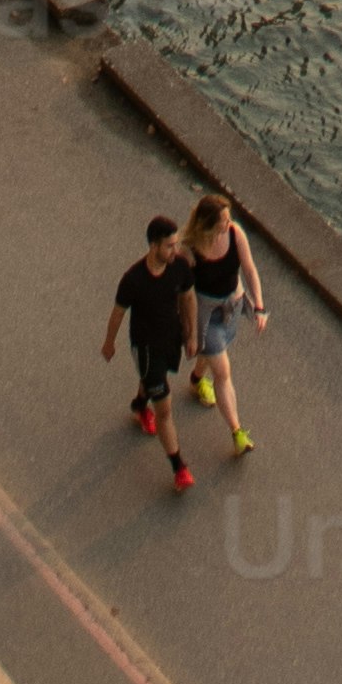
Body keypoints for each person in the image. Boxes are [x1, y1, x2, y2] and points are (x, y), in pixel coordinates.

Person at [106, 201, 198, 490]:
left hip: (171, 337)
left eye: (176, 244)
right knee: (166, 408)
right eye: (169, 246)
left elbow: (188, 298)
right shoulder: (133, 280)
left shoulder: (179, 266)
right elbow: (118, 312)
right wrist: (109, 342)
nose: (175, 250)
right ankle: (179, 468)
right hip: (146, 347)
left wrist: (191, 334)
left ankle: (138, 404)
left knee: (154, 381)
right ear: (154, 245)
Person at [178, 189, 268, 458]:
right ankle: (237, 432)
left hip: (231, 306)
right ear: (206, 224)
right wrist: (189, 331)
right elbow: (182, 292)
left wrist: (259, 306)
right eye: (222, 221)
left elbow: (249, 269)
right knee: (223, 371)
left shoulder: (235, 233)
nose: (227, 224)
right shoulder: (190, 250)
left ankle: (196, 379)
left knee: (215, 352)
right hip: (204, 313)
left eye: (228, 219)